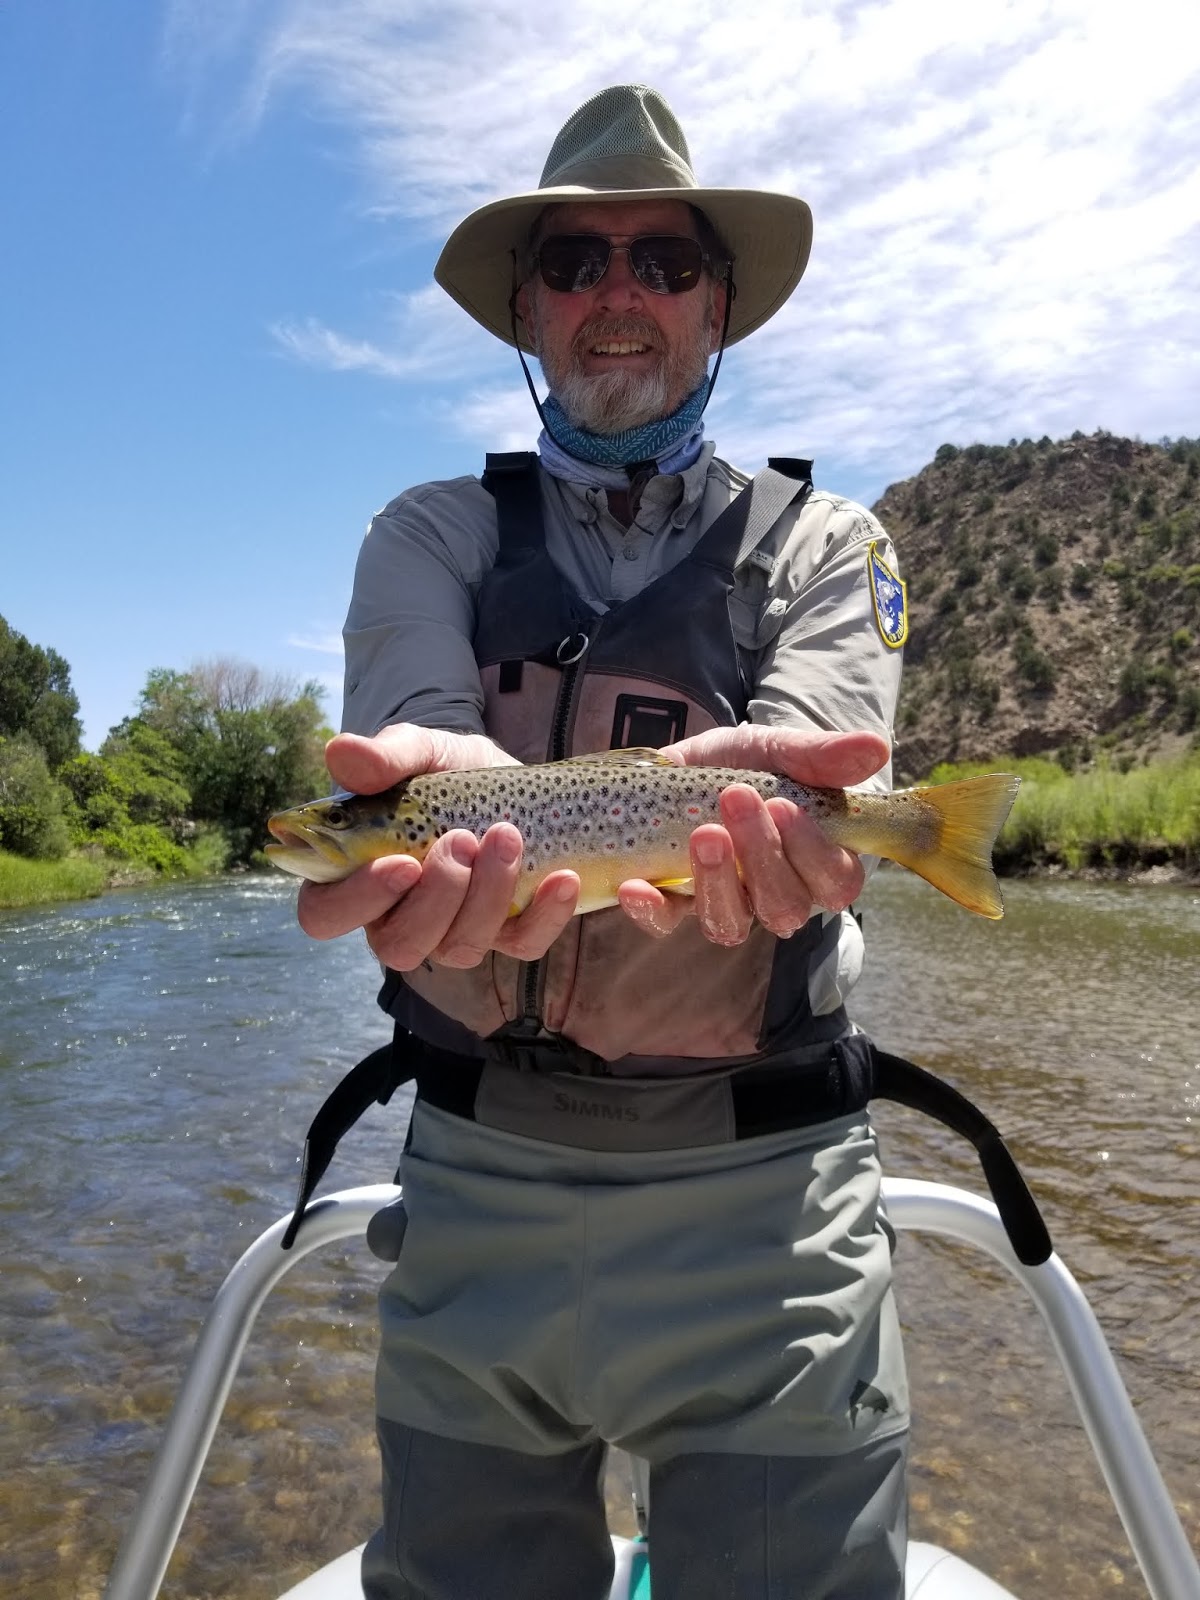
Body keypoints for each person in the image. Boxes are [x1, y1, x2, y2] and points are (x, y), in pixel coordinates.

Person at [297, 84, 911, 1599]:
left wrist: (810, 828)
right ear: (527, 311)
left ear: (718, 309)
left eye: (662, 263)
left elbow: (822, 762)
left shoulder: (828, 548)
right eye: (575, 265)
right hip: (477, 1182)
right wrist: (430, 797)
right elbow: (422, 735)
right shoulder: (427, 532)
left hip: (766, 1201)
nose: (617, 296)